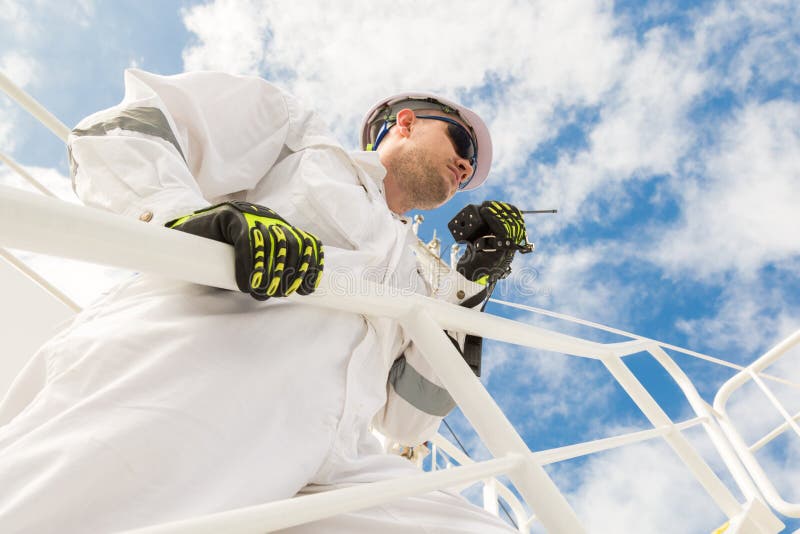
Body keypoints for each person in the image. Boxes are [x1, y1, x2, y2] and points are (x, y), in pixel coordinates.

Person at [0, 69, 529, 533]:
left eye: (473, 168)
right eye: (461, 142)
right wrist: (181, 216)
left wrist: (475, 281)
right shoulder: (300, 143)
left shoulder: (418, 276)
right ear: (406, 122)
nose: (467, 165)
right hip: (194, 380)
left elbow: (408, 421)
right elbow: (128, 127)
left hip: (337, 466)